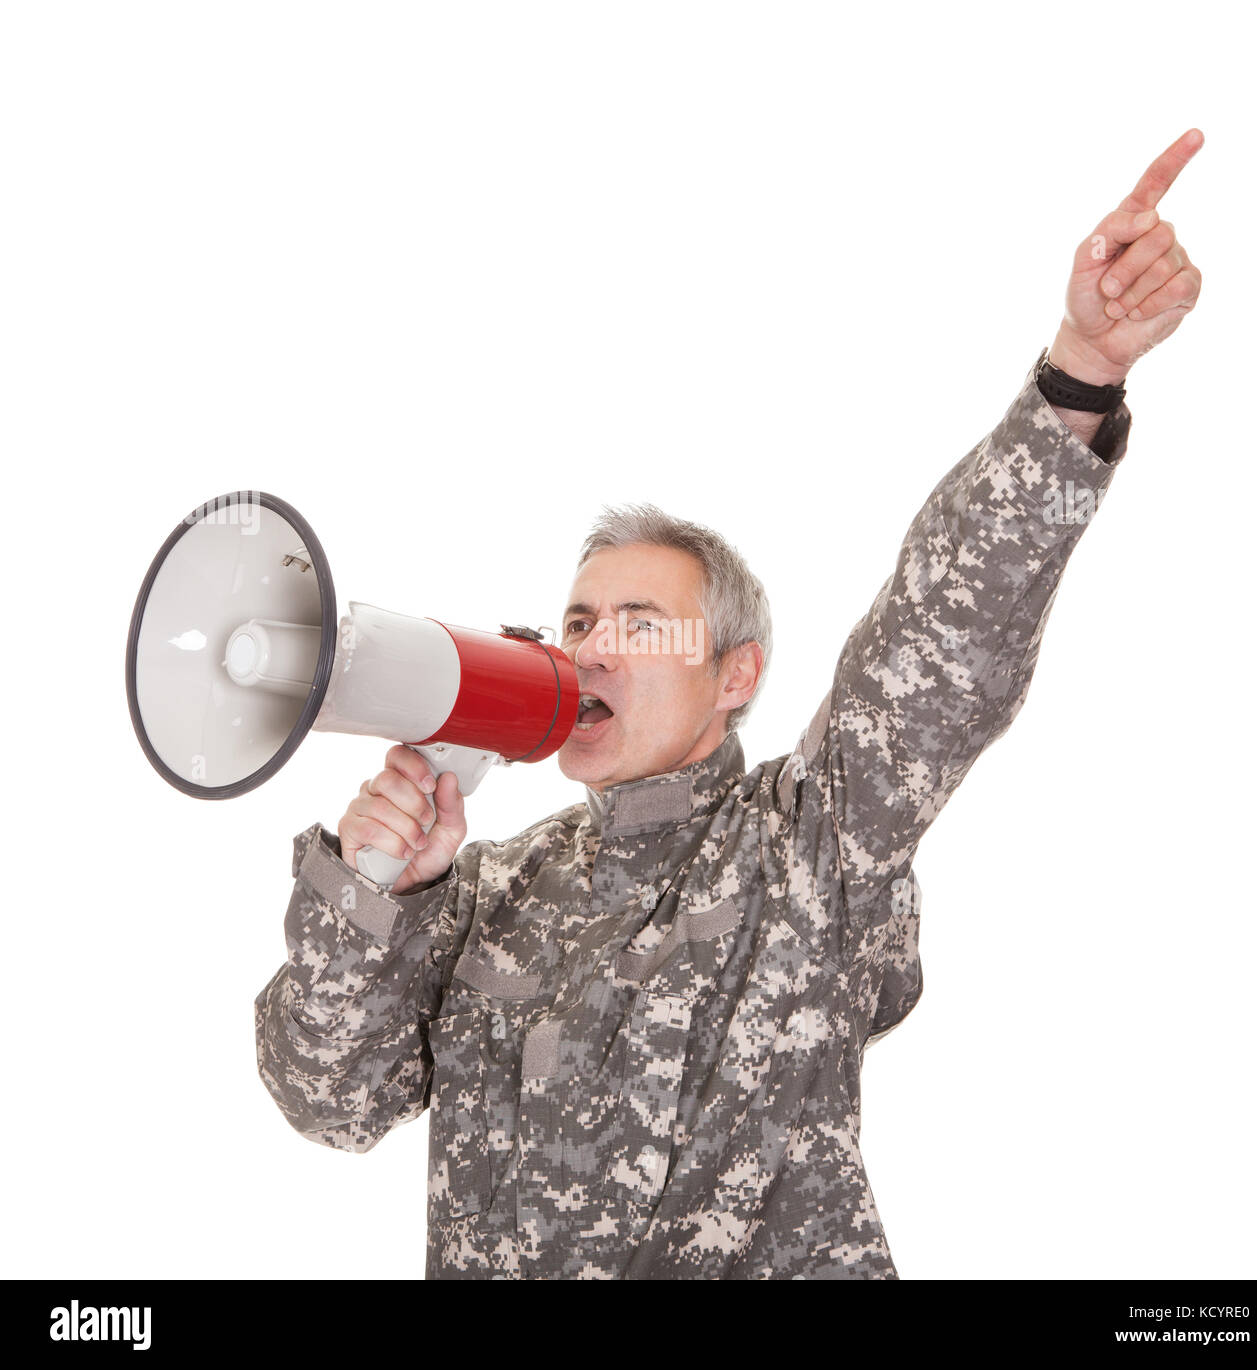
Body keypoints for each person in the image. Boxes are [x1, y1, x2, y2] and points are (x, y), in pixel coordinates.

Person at [254, 130, 1203, 1279]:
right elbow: (331, 1103)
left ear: (735, 674)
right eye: (577, 621)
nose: (593, 647)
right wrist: (372, 894)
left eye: (639, 622)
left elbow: (942, 637)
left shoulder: (808, 848)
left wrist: (1077, 374)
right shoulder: (484, 895)